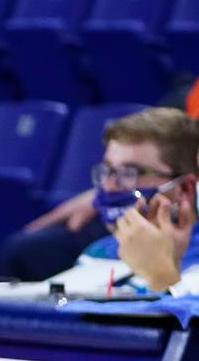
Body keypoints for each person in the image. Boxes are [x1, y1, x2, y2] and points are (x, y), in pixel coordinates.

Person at [40, 108, 199, 296]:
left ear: (185, 188)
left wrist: (161, 276)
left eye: (131, 173)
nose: (110, 186)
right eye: (107, 171)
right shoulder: (98, 253)